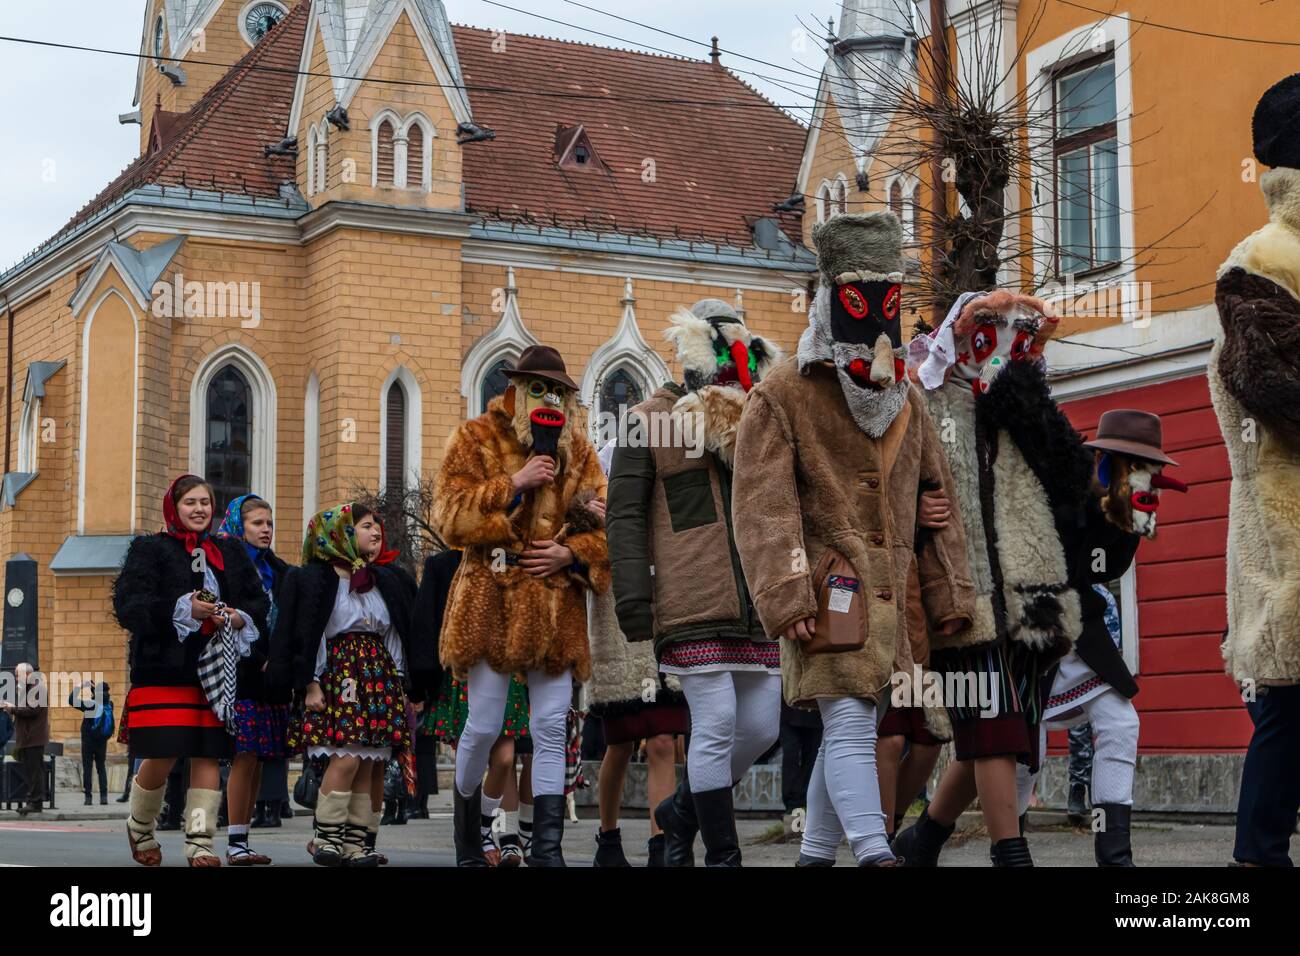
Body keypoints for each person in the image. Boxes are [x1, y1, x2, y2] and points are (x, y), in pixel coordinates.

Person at [731, 212, 975, 867]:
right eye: (862, 301)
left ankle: (814, 854)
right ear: (832, 299)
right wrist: (787, 591)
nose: (877, 322)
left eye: (890, 301)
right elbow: (763, 507)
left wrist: (950, 590)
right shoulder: (782, 393)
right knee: (845, 721)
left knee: (858, 721)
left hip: (893, 598)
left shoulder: (907, 400)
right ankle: (872, 849)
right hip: (825, 588)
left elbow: (939, 499)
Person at [897, 290, 1148, 866]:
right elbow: (880, 482)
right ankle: (1012, 856)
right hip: (962, 590)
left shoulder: (1018, 412)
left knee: (1006, 735)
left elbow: (1073, 489)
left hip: (1035, 599)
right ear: (960, 339)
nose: (1003, 354)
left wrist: (1126, 502)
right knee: (997, 728)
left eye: (1018, 341)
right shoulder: (920, 403)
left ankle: (923, 842)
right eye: (990, 339)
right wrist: (911, 511)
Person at [608, 299, 784, 867]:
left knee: (761, 725)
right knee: (718, 722)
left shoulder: (756, 411)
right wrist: (634, 599)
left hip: (755, 600)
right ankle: (722, 855)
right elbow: (626, 517)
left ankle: (680, 813)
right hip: (689, 596)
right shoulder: (646, 420)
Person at [434, 344, 610, 867]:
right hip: (492, 599)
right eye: (539, 388)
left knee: (552, 726)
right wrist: (513, 484)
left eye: (558, 390)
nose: (549, 398)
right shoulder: (475, 437)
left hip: (556, 606)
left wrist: (571, 551)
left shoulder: (578, 449)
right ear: (514, 391)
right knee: (485, 725)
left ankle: (547, 850)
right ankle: (469, 832)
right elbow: (449, 518)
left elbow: (611, 530)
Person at [1014, 410, 1185, 865]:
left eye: (1146, 468)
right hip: (1032, 623)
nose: (1139, 476)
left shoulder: (1122, 503)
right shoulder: (1058, 490)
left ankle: (1114, 853)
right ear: (1104, 461)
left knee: (1121, 723)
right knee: (1021, 743)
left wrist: (1128, 521)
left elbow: (1106, 570)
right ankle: (998, 843)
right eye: (1130, 465)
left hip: (1082, 630)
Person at [1208, 72, 1300, 867]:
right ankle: (1258, 856)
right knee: (1290, 692)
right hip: (1286, 510)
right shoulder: (1263, 258)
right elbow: (1266, 379)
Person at [112, 475, 268, 866]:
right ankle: (140, 824)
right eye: (190, 503)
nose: (200, 509)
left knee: (207, 756)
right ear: (174, 508)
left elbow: (258, 604)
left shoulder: (229, 552)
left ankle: (200, 841)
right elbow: (130, 606)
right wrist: (183, 608)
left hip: (217, 672)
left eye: (205, 502)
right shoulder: (151, 550)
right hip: (165, 672)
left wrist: (236, 617)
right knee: (163, 754)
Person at [270, 503, 422, 867]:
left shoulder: (385, 580)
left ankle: (358, 843)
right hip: (340, 674)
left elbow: (396, 637)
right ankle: (327, 838)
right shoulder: (316, 580)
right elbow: (309, 635)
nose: (375, 532)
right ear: (340, 534)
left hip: (378, 674)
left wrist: (403, 684)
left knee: (374, 763)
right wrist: (310, 684)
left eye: (376, 526)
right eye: (366, 526)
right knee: (348, 755)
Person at [588, 440, 687, 867]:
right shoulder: (594, 511)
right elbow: (589, 567)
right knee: (621, 743)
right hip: (621, 637)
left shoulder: (665, 505)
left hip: (662, 637)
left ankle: (660, 846)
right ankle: (607, 838)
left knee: (664, 740)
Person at [215, 493, 292, 865]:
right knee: (244, 756)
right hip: (241, 669)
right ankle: (234, 841)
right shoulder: (227, 563)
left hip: (270, 672)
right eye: (258, 523)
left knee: (259, 756)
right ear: (238, 526)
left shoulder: (275, 567)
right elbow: (226, 615)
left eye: (269, 523)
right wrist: (257, 657)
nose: (266, 530)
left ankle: (243, 839)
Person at [2, 663, 50, 815]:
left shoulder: (38, 688)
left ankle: (35, 803)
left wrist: (12, 708)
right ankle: (32, 801)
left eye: (18, 675)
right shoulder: (29, 689)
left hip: (33, 737)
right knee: (30, 771)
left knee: (35, 771)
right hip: (28, 737)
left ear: (28, 674)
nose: (16, 678)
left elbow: (32, 711)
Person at [69, 680, 114, 806]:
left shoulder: (90, 704)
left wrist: (80, 686)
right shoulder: (110, 704)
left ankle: (88, 797)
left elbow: (71, 700)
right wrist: (95, 689)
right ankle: (103, 797)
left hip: (88, 740)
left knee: (87, 768)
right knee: (101, 768)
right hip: (102, 741)